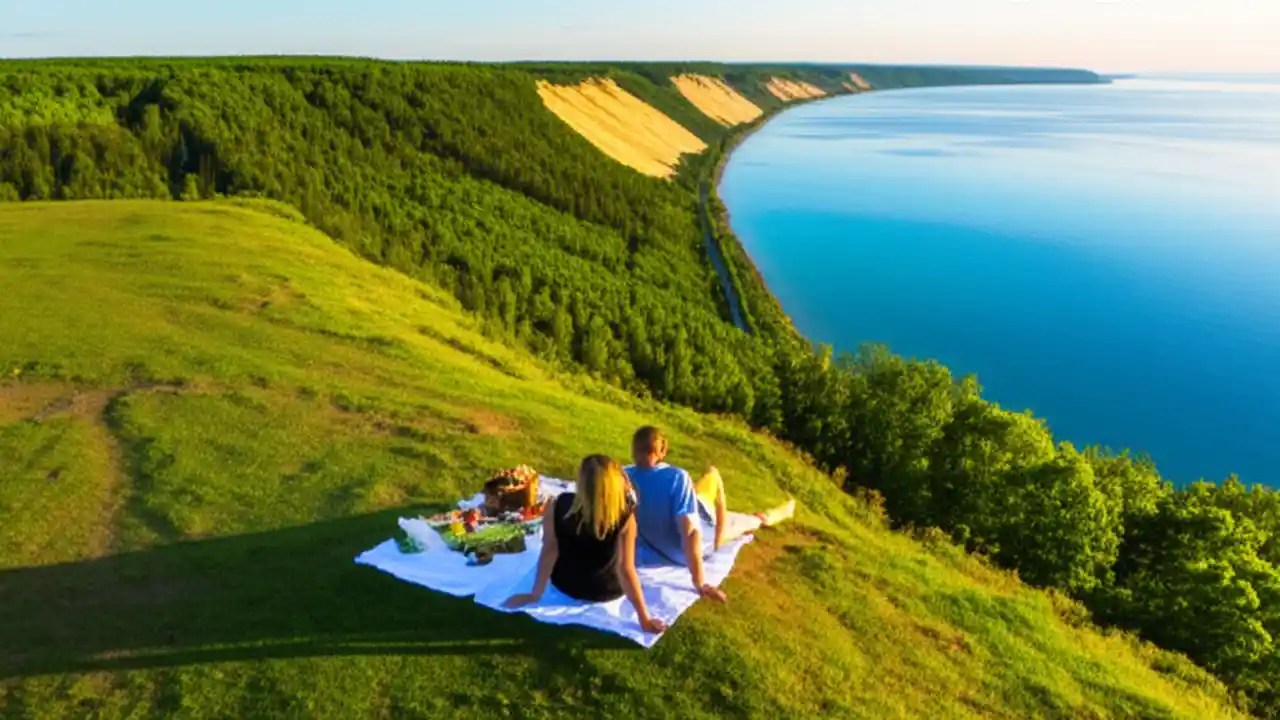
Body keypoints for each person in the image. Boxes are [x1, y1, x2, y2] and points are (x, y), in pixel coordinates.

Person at [625, 426, 795, 603]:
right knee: (743, 520)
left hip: (681, 522)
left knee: (707, 484)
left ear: (633, 449)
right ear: (663, 451)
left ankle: (730, 506)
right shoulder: (676, 477)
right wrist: (699, 582)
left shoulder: (623, 475)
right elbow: (690, 533)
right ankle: (766, 516)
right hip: (686, 546)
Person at [504, 454, 667, 634]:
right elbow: (626, 569)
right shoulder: (625, 516)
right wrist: (644, 618)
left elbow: (549, 550)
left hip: (567, 584)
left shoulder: (558, 505)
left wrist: (535, 594)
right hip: (608, 589)